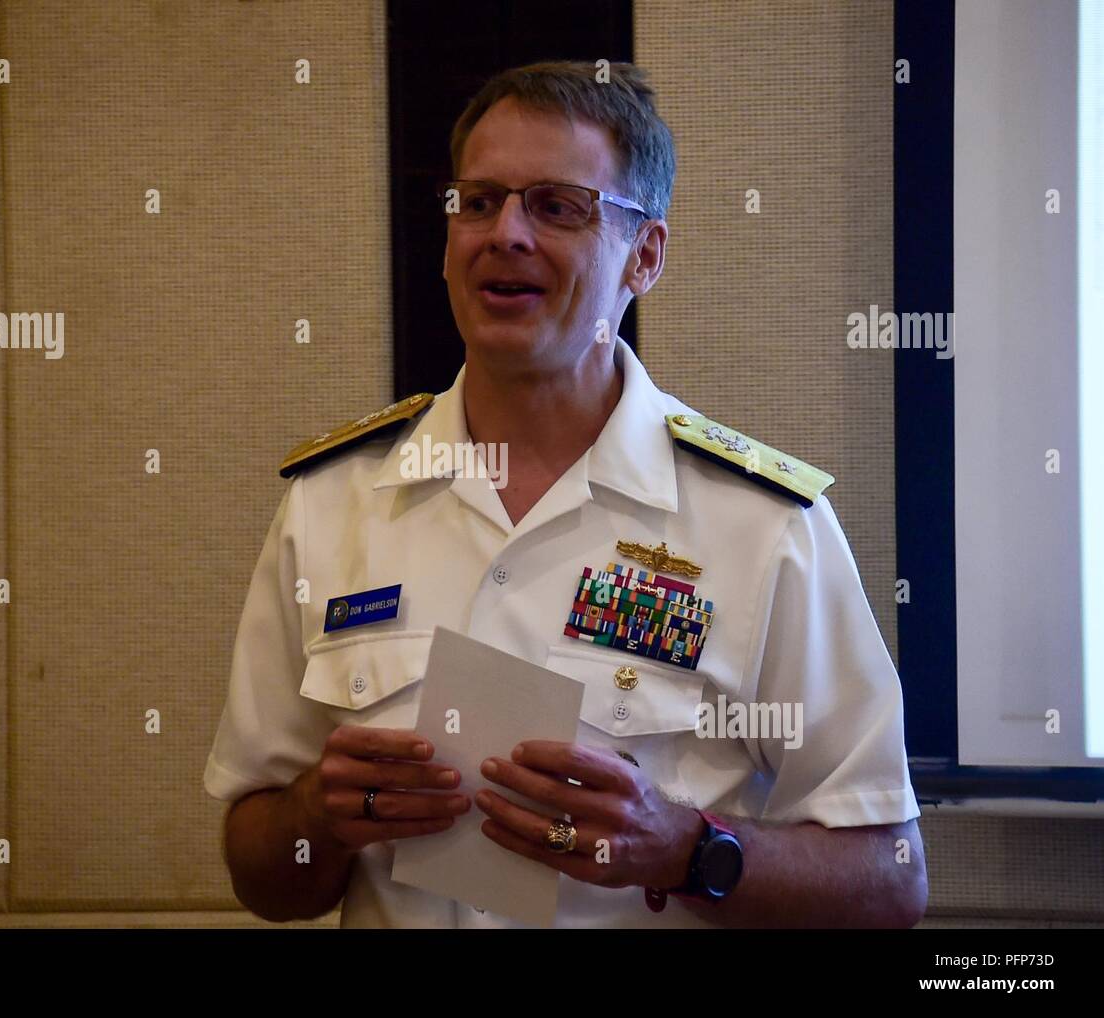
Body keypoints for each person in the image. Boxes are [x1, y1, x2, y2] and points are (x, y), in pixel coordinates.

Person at [203, 60, 927, 928]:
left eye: (557, 206)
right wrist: (316, 816)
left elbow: (890, 881)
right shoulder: (333, 504)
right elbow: (261, 870)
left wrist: (687, 851)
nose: (504, 232)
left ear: (644, 255)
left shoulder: (763, 526)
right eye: (478, 202)